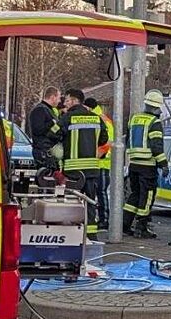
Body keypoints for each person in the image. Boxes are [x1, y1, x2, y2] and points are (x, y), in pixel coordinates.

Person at [57, 89, 107, 237]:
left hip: (73, 171)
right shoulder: (96, 118)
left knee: (72, 203)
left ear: (73, 100)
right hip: (91, 169)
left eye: (66, 100)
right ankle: (91, 236)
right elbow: (103, 139)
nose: (65, 103)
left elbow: (54, 135)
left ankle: (72, 236)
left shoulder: (67, 118)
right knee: (90, 203)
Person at [123, 89, 168, 239]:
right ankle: (141, 228)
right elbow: (156, 147)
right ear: (156, 107)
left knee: (134, 195)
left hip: (133, 164)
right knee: (147, 197)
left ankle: (125, 224)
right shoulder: (154, 123)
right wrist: (164, 164)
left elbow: (127, 140)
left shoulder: (134, 119)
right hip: (148, 165)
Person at [84, 97, 115, 231]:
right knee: (98, 192)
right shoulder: (98, 117)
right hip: (97, 162)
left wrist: (97, 155)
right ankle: (101, 218)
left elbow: (107, 142)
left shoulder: (100, 119)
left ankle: (104, 219)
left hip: (102, 162)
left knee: (101, 192)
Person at [26, 86, 61, 171]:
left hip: (49, 151)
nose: (59, 101)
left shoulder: (49, 110)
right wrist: (52, 123)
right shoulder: (40, 110)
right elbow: (38, 130)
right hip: (44, 152)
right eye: (58, 98)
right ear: (52, 97)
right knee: (46, 179)